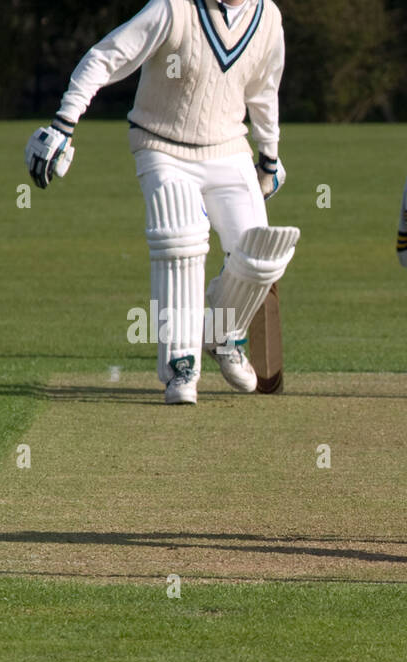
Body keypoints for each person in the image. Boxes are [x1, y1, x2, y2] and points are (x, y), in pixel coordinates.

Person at [24, 0, 298, 405]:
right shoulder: (174, 8)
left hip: (229, 148)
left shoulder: (268, 18)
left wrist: (269, 156)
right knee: (180, 240)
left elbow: (263, 90)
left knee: (263, 253)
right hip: (162, 145)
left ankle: (223, 334)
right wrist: (64, 123)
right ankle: (180, 365)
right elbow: (107, 56)